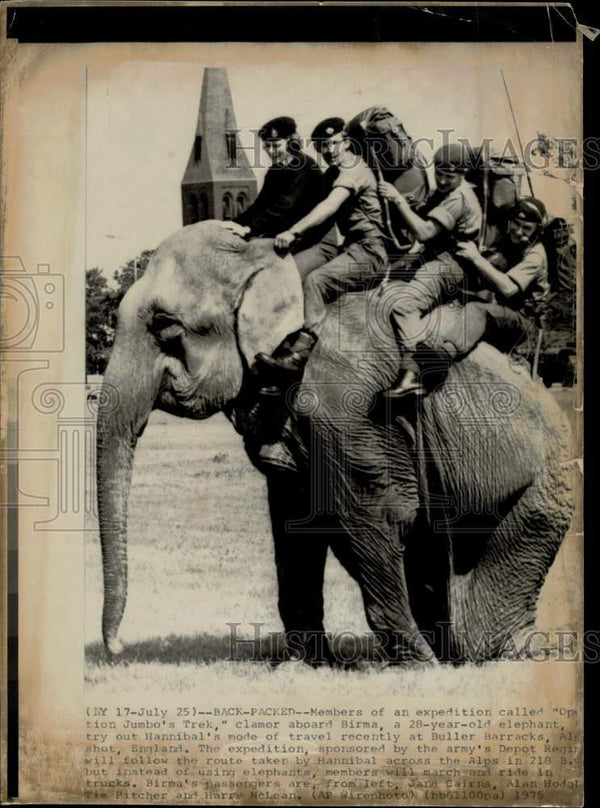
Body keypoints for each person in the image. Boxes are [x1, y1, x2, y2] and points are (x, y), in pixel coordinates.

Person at [255, 117, 389, 379]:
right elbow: (305, 204)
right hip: (350, 249)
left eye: (333, 144)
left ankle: (301, 354)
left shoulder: (353, 170)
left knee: (316, 281)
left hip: (369, 252)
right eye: (322, 147)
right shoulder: (332, 174)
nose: (329, 151)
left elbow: (328, 207)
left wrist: (293, 231)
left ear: (346, 142)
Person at [376, 142, 483, 398]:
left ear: (462, 175)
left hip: (451, 265)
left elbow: (424, 233)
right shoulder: (447, 193)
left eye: (450, 176)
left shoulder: (459, 198)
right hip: (437, 258)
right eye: (439, 174)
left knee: (403, 305)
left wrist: (398, 200)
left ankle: (413, 373)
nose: (443, 181)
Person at [414, 196, 550, 375]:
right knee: (455, 299)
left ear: (537, 231)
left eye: (526, 228)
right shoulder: (513, 245)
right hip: (505, 312)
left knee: (477, 310)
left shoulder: (535, 256)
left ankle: (444, 356)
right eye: (516, 224)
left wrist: (477, 258)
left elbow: (508, 289)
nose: (518, 231)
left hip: (523, 321)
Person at [223, 116, 336, 257]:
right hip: (289, 238)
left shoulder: (303, 165)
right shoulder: (275, 171)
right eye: (267, 146)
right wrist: (232, 225)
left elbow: (283, 206)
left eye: (276, 146)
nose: (270, 151)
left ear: (291, 142)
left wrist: (249, 229)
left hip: (315, 240)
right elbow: (259, 205)